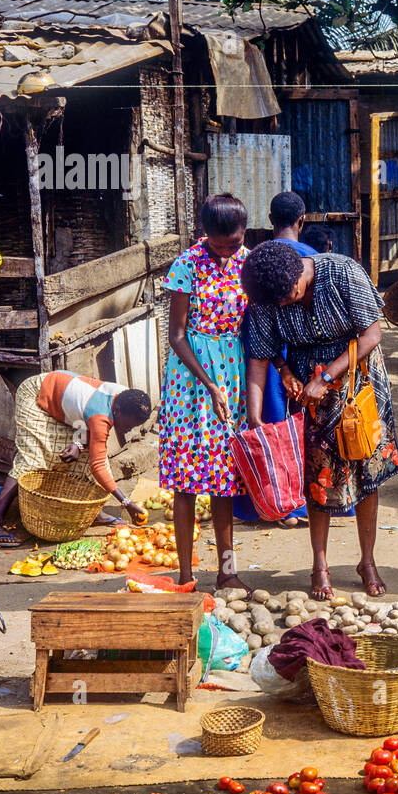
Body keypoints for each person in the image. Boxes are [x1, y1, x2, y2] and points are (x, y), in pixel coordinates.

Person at [240, 240, 398, 599]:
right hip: (309, 393)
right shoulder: (267, 296)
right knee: (317, 481)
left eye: (291, 296)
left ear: (300, 273)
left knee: (366, 474)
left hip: (358, 385)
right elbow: (261, 354)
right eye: (279, 303)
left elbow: (372, 334)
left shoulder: (343, 271)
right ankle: (320, 564)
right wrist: (262, 404)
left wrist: (325, 378)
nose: (286, 304)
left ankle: (367, 560)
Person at [159, 193, 250, 590]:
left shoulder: (248, 262)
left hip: (232, 371)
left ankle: (227, 571)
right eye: (223, 243)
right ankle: (184, 574)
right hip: (189, 379)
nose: (232, 249)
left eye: (237, 240)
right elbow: (176, 336)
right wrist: (208, 382)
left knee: (224, 477)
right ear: (206, 235)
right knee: (187, 479)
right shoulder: (186, 266)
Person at [0, 373, 151, 546]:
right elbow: (97, 463)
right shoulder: (102, 417)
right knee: (32, 460)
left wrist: (77, 444)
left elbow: (85, 413)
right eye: (128, 425)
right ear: (118, 411)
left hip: (59, 399)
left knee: (86, 455)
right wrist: (126, 502)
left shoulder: (125, 397)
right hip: (35, 394)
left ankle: (93, 514)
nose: (128, 430)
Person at [235, 191, 319, 526]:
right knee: (299, 429)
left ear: (270, 221)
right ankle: (296, 503)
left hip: (262, 353)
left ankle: (267, 500)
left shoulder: (256, 260)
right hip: (298, 355)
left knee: (266, 426)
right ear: (302, 220)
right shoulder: (311, 258)